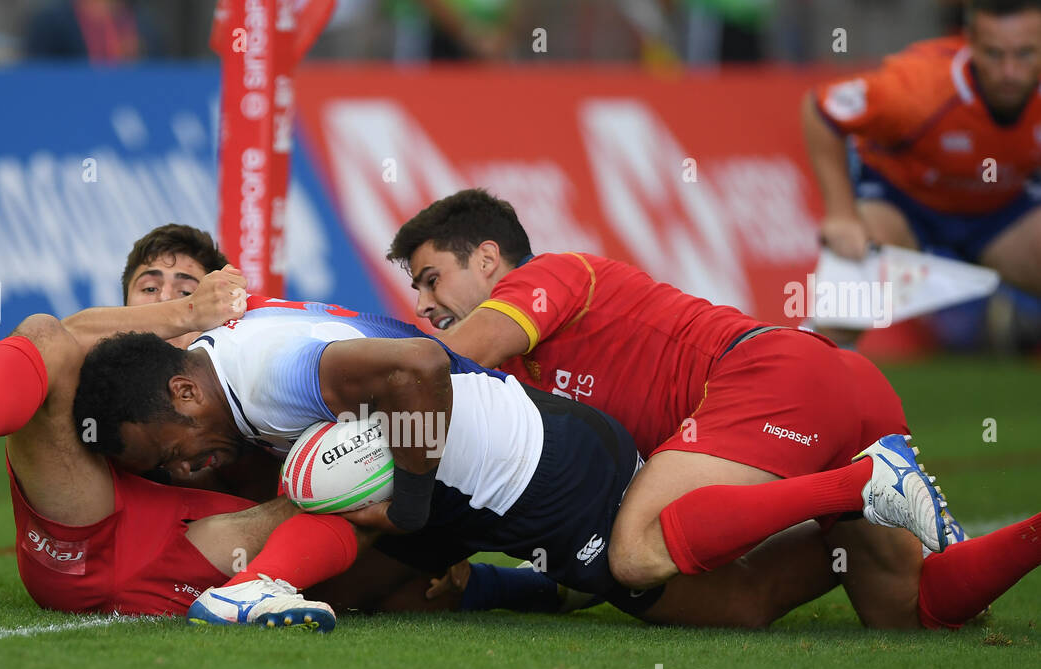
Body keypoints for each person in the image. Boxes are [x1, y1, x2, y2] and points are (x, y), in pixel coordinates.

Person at [68, 295, 939, 628]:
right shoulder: (222, 373)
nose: (188, 474)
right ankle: (275, 590)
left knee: (722, 604)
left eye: (171, 460)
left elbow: (419, 368)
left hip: (543, 470)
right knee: (365, 596)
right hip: (469, 490)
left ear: (183, 395)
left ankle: (859, 492)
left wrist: (408, 502)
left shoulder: (263, 366)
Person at [387, 188, 1041, 630]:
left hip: (772, 378)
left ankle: (861, 485)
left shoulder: (547, 276)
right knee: (907, 608)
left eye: (430, 277)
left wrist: (341, 365)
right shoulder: (515, 380)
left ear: (488, 259)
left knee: (638, 552)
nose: (421, 301)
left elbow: (441, 361)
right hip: (825, 392)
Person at [0, 224, 352, 629]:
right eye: (149, 288)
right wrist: (189, 311)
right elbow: (67, 332)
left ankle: (254, 591)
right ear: (127, 308)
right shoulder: (100, 360)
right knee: (41, 330)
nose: (166, 298)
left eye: (185, 286)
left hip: (209, 558)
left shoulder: (261, 370)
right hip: (77, 543)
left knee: (344, 478)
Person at [803, 0, 1041, 344]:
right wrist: (841, 214)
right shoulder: (917, 86)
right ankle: (806, 373)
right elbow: (820, 110)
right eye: (993, 54)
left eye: (1024, 54)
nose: (1009, 71)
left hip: (1001, 213)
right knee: (844, 297)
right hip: (903, 203)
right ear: (969, 41)